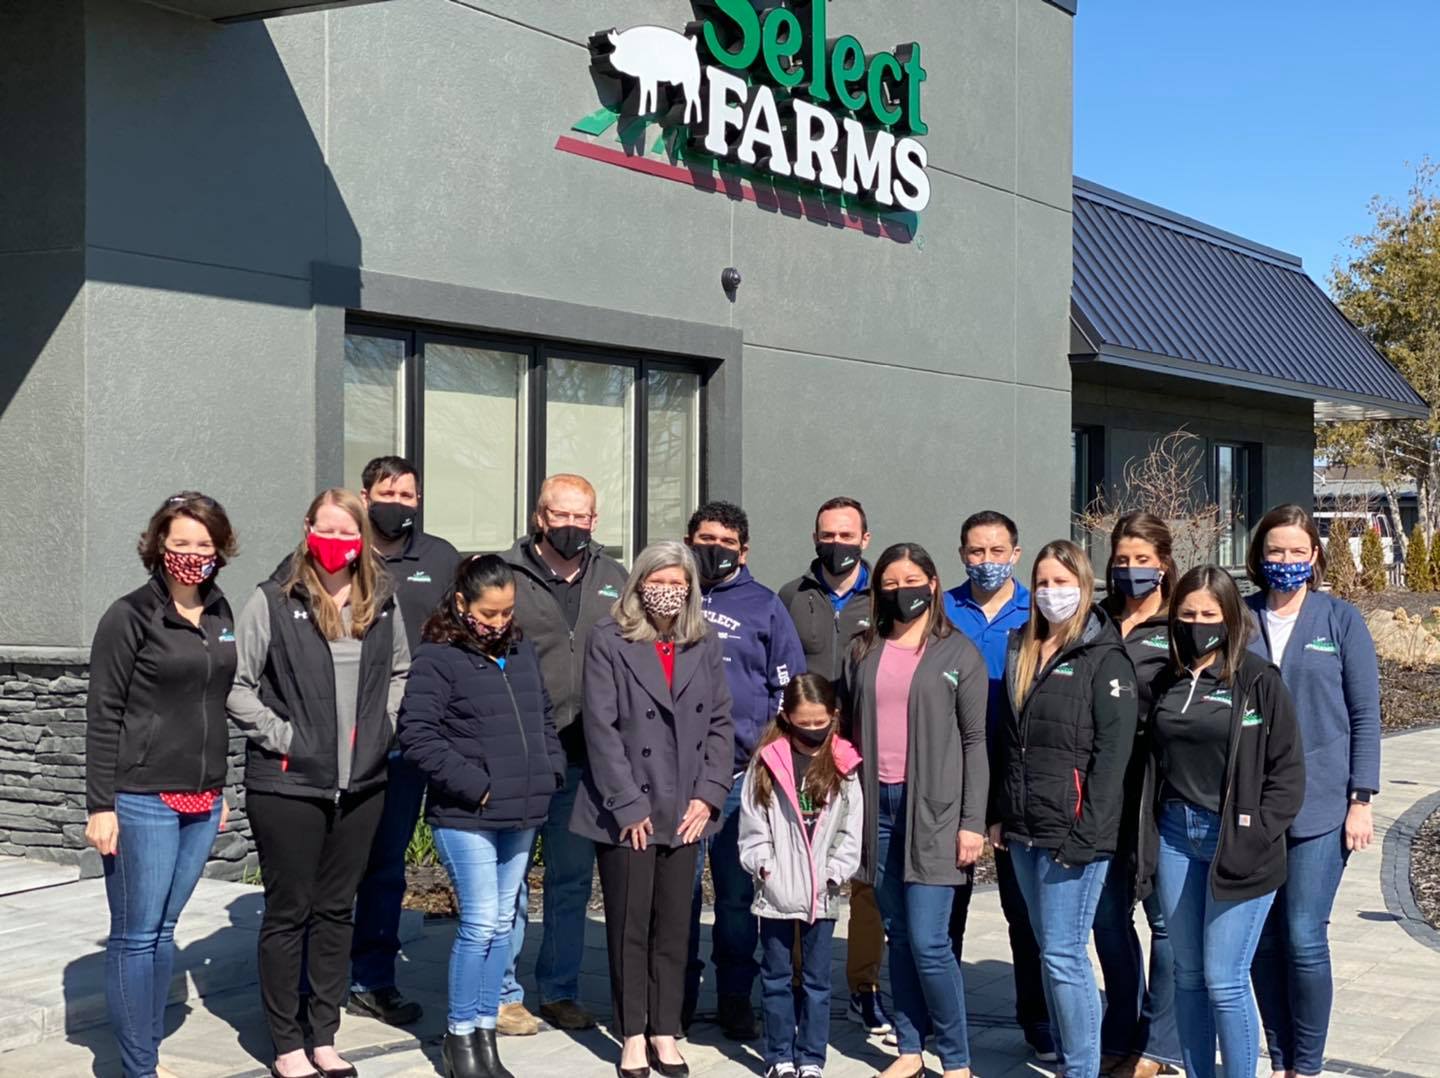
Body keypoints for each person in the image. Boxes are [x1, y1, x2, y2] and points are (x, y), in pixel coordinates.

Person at [229, 488, 411, 1078]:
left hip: (362, 784)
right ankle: (286, 1043)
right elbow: (237, 685)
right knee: (290, 913)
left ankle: (324, 1034)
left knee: (336, 911)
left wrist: (383, 727)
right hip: (289, 786)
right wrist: (288, 739)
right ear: (307, 528)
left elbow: (402, 669)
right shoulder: (272, 599)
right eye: (325, 531)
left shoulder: (381, 599)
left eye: (346, 533)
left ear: (361, 539)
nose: (336, 543)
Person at [86, 492, 240, 1078]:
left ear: (219, 550)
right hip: (141, 797)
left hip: (201, 799)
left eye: (205, 544)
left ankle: (143, 1056)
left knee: (164, 931)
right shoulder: (129, 616)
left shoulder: (222, 614)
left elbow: (216, 705)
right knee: (136, 935)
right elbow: (103, 714)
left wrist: (217, 788)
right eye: (181, 543)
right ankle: (138, 1067)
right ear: (158, 546)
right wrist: (102, 805)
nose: (193, 554)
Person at [569, 540, 734, 1078]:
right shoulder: (608, 639)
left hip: (686, 806)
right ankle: (632, 1034)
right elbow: (601, 727)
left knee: (675, 925)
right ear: (640, 583)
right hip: (629, 808)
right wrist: (626, 803)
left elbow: (720, 724)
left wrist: (709, 794)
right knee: (630, 925)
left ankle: (666, 1029)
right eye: (657, 581)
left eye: (678, 583)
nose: (667, 591)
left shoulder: (701, 642)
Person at [397, 555, 566, 1078]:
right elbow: (417, 734)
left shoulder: (519, 651)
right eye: (487, 613)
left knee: (500, 926)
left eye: (506, 612)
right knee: (478, 925)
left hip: (523, 811)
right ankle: (460, 1036)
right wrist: (480, 788)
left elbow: (542, 716)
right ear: (461, 603)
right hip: (466, 816)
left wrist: (550, 771)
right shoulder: (438, 658)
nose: (497, 623)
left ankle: (485, 1034)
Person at [1138, 565, 1305, 1078]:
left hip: (1237, 843)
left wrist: (1255, 833)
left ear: (1231, 618)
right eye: (1187, 614)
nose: (1197, 624)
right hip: (1174, 837)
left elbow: (1289, 773)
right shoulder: (1164, 680)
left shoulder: (1259, 682)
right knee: (1187, 975)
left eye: (1209, 614)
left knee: (1224, 977)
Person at [989, 539, 1137, 1078]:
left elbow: (1112, 757)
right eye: (1044, 582)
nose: (1053, 593)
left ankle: (1081, 1068)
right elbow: (1009, 738)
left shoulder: (1104, 656)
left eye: (1063, 582)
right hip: (1024, 829)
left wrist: (1088, 835)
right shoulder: (1021, 646)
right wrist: (1000, 812)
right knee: (1048, 950)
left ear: (1085, 585)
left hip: (1073, 834)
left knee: (1064, 955)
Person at [1243, 505, 1381, 1078]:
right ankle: (1279, 1058)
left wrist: (1361, 798)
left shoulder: (1339, 619)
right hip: (1251, 803)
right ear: (1259, 556)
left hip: (1322, 805)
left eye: (1298, 551)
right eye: (1276, 551)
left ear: (1315, 557)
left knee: (1302, 935)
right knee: (1262, 942)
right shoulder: (1240, 616)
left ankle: (1307, 1062)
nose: (1286, 561)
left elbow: (1366, 713)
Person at [842, 542, 988, 1078]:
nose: (901, 589)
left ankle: (956, 1060)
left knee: (930, 941)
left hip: (934, 809)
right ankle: (909, 1049)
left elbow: (976, 742)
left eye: (911, 579)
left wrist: (973, 822)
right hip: (875, 809)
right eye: (890, 581)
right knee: (898, 936)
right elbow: (847, 731)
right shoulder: (863, 649)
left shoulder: (959, 655)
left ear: (932, 583)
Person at [498, 473, 628, 1034]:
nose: (572, 525)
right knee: (511, 880)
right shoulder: (505, 573)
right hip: (521, 752)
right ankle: (503, 993)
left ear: (594, 521)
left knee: (571, 881)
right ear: (540, 517)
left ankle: (559, 990)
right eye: (562, 514)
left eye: (583, 516)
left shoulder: (615, 578)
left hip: (586, 757)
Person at [682, 501, 807, 1040]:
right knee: (676, 898)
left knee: (736, 899)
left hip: (739, 780)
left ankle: (735, 996)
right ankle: (675, 997)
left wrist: (773, 759)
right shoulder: (670, 593)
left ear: (744, 550)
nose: (714, 550)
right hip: (677, 778)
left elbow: (789, 689)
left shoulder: (765, 607)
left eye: (726, 543)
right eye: (705, 538)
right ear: (688, 540)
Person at [348, 456, 461, 1028]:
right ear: (364, 496)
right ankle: (318, 973)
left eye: (409, 494)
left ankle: (372, 978)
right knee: (336, 859)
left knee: (388, 863)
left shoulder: (440, 558)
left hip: (411, 736)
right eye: (388, 492)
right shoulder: (339, 549)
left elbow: (461, 636)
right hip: (340, 736)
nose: (399, 502)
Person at [941, 510, 1054, 1063]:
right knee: (947, 906)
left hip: (1014, 776)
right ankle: (946, 1018)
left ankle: (1037, 1018)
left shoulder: (1039, 610)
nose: (986, 561)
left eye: (997, 551)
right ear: (962, 553)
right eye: (976, 551)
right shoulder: (942, 611)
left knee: (1023, 908)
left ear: (1016, 552)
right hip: (952, 774)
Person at [777, 496, 891, 1036]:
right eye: (828, 534)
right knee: (802, 863)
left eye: (848, 535)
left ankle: (863, 986)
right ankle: (800, 979)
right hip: (805, 750)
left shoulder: (886, 597)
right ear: (815, 537)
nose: (837, 543)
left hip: (865, 751)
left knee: (864, 872)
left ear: (865, 539)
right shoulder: (791, 597)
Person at [738, 673, 864, 1078]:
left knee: (816, 981)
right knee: (774, 976)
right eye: (803, 723)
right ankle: (778, 1055)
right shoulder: (768, 760)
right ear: (787, 718)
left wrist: (835, 873)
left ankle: (811, 1056)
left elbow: (850, 828)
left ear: (833, 716)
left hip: (820, 892)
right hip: (775, 890)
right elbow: (752, 823)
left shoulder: (843, 762)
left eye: (820, 722)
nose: (813, 730)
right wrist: (764, 865)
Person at [1094, 513, 1183, 1078]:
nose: (1131, 571)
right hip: (1103, 787)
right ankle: (1120, 1029)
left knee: (1166, 921)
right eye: (1122, 561)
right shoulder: (1097, 620)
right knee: (1106, 916)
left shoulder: (1180, 625)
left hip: (1161, 786)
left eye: (1142, 561)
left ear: (1164, 564)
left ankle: (1160, 1043)